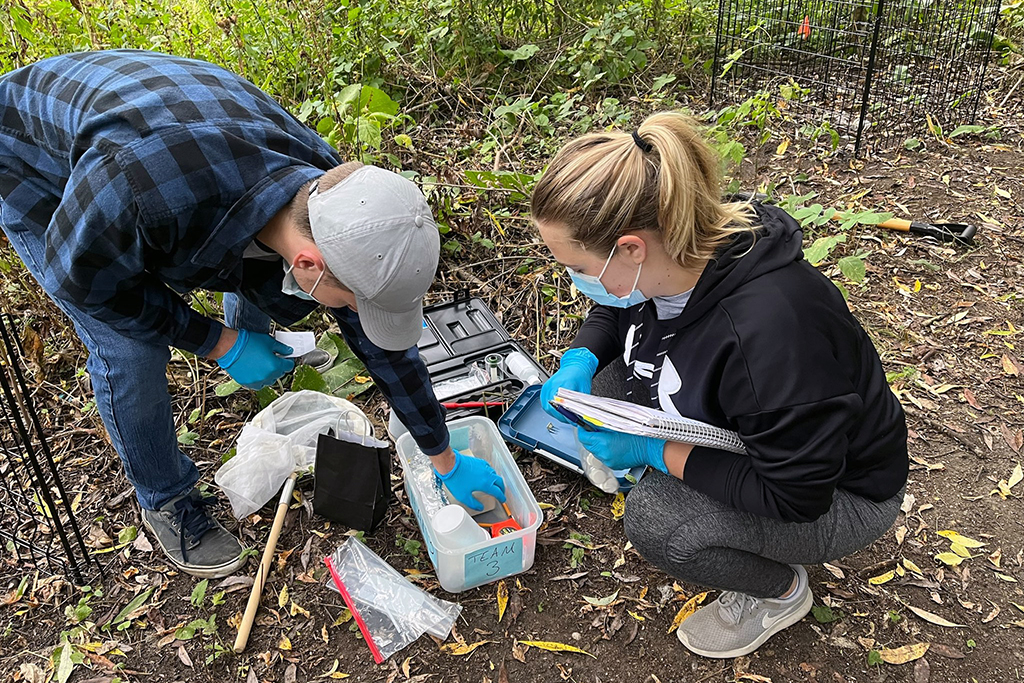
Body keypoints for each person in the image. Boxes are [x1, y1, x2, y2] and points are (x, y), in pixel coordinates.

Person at [0, 50, 505, 579]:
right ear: (309, 263)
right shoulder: (139, 184)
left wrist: (443, 456)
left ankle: (252, 359)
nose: (357, 315)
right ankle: (165, 499)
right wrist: (220, 342)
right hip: (35, 159)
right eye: (356, 303)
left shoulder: (335, 196)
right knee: (129, 346)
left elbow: (381, 345)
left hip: (154, 132)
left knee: (260, 268)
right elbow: (88, 286)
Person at [533, 112, 908, 658]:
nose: (574, 279)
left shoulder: (771, 336)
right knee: (602, 386)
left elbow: (797, 495)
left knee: (658, 521)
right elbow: (620, 308)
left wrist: (651, 450)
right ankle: (671, 469)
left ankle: (780, 593)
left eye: (578, 267)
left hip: (841, 494)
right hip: (760, 436)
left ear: (631, 248)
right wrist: (580, 358)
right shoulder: (678, 242)